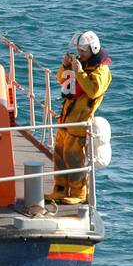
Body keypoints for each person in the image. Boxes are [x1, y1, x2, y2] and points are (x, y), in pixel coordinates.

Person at [48, 30, 111, 205]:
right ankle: (59, 189)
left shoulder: (101, 70)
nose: (80, 54)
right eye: (79, 50)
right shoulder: (80, 64)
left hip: (80, 121)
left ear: (93, 49)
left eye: (83, 51)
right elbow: (63, 80)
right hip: (66, 118)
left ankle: (78, 192)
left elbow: (93, 90)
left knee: (73, 156)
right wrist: (66, 66)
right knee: (60, 153)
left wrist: (80, 72)